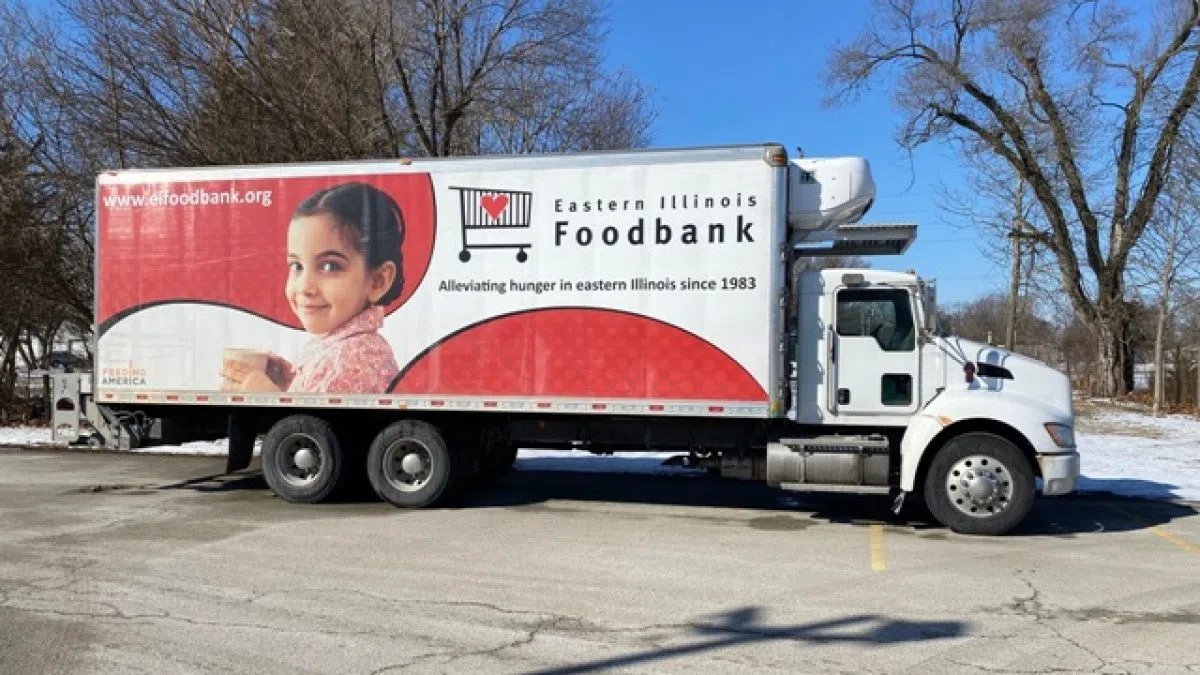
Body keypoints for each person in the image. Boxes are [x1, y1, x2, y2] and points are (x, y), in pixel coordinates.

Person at [220, 181, 404, 393]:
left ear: (378, 281)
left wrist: (268, 398)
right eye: (297, 266)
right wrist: (288, 382)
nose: (305, 287)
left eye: (329, 266)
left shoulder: (354, 359)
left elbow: (307, 423)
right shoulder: (336, 344)